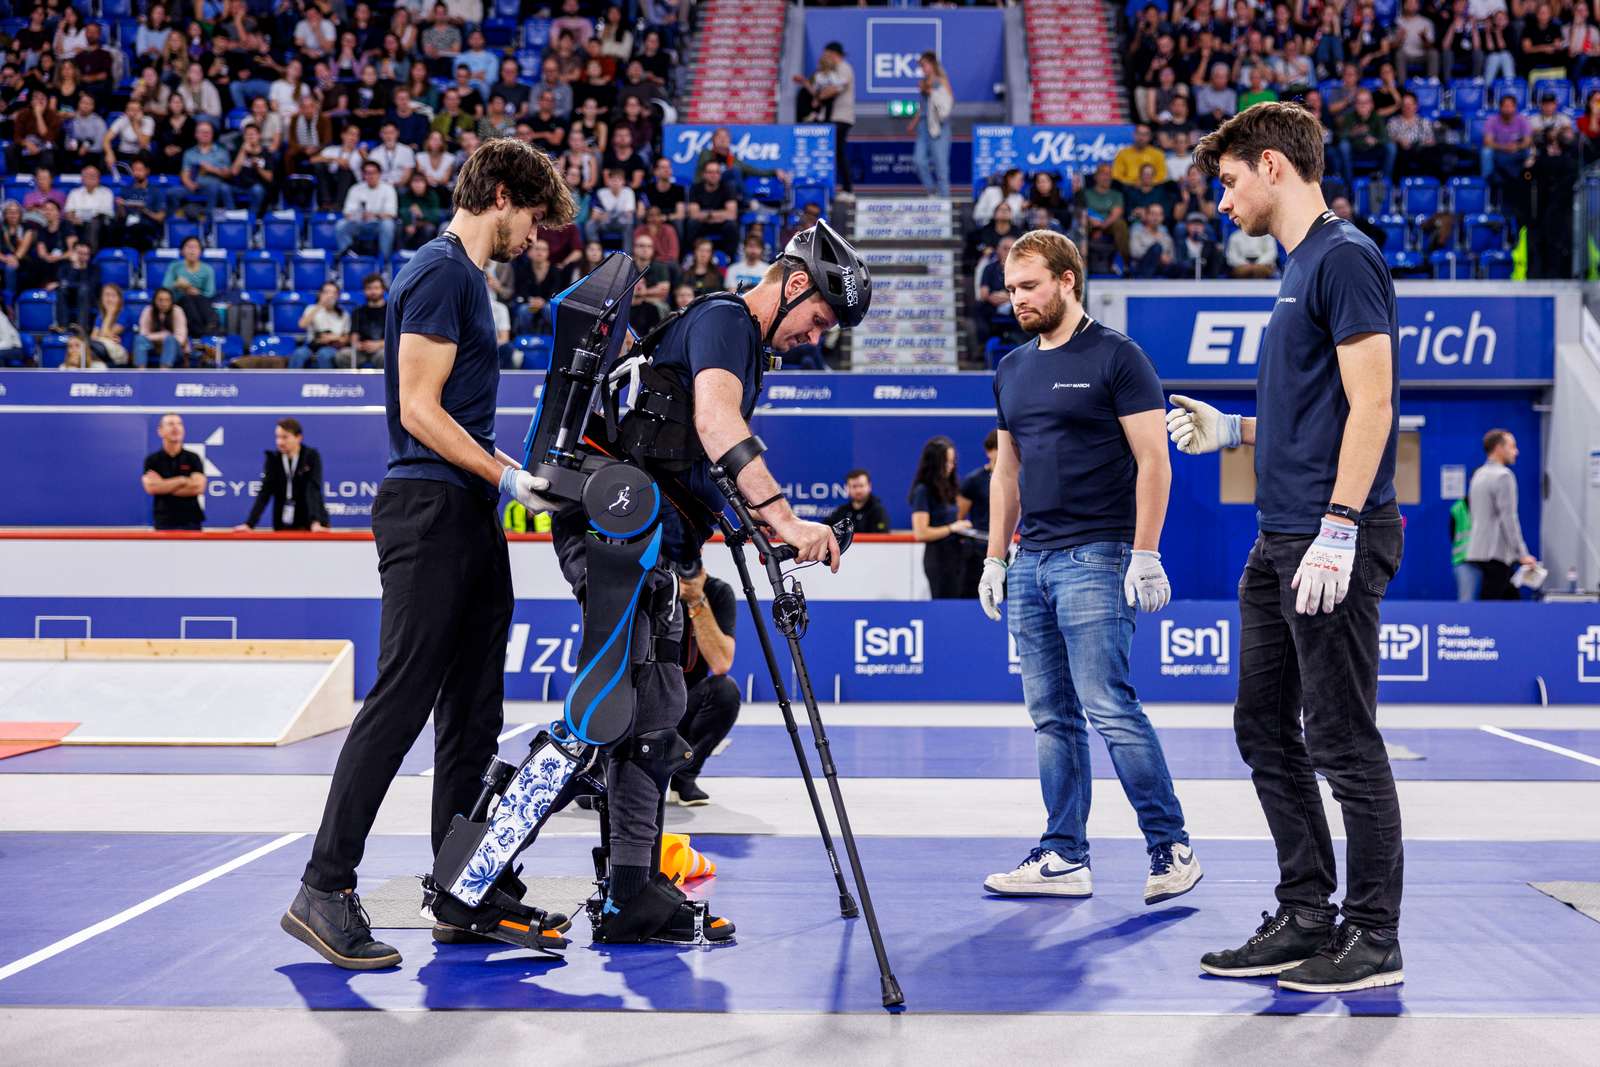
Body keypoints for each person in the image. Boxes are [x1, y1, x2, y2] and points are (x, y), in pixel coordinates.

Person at [283, 140, 579, 970]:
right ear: (499, 194)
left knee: (474, 712)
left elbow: (455, 417)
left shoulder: (469, 283)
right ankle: (323, 887)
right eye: (533, 217)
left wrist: (509, 481)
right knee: (403, 697)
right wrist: (508, 477)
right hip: (429, 509)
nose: (535, 236)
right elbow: (418, 409)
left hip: (468, 509)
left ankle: (463, 890)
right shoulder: (442, 272)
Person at [1171, 101, 1405, 994]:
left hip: (1329, 535)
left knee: (1341, 738)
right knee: (1263, 727)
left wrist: (1340, 526)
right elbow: (1317, 413)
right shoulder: (1298, 266)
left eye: (1229, 181)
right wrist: (1234, 430)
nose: (1222, 201)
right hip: (1281, 539)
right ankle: (1307, 913)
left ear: (1272, 165)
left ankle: (1373, 934)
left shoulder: (1343, 257)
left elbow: (1374, 404)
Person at [976, 227, 1197, 906]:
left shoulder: (1118, 357)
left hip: (1098, 557)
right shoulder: (1011, 368)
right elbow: (1006, 470)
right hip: (1031, 561)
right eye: (1011, 289)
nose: (1017, 299)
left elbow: (1154, 460)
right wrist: (994, 556)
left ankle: (1171, 846)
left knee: (1107, 705)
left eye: (1029, 286)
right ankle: (1064, 855)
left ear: (1067, 280)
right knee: (1051, 716)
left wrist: (1146, 552)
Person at [666, 563, 741, 807]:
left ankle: (684, 776)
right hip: (644, 697)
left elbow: (721, 663)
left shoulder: (717, 592)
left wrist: (696, 601)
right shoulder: (652, 587)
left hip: (687, 701)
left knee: (725, 691)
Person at [1466, 429, 1537, 599]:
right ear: (1498, 448)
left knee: (1509, 600)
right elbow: (1509, 518)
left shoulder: (1478, 475)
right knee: (1492, 604)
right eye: (1512, 446)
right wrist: (1522, 554)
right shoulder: (1504, 476)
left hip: (1479, 549)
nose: (1516, 452)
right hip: (1497, 553)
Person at [236, 418, 330, 532]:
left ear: (298, 438)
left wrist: (315, 521)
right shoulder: (273, 459)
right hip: (283, 521)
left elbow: (312, 489)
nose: (279, 442)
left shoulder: (311, 456)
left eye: (285, 437)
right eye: (278, 437)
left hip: (312, 523)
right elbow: (265, 492)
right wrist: (249, 524)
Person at [909, 436, 973, 599]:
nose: (950, 467)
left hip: (957, 555)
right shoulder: (923, 491)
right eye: (946, 462)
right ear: (935, 463)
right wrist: (952, 528)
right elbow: (921, 533)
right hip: (938, 559)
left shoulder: (950, 487)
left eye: (952, 462)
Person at [796, 41, 855, 197]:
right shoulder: (826, 73)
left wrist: (819, 97)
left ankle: (847, 189)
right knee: (830, 153)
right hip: (829, 117)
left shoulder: (844, 68)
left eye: (826, 53)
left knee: (837, 152)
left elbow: (835, 89)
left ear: (833, 54)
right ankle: (831, 187)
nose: (824, 56)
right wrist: (808, 85)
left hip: (840, 117)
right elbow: (820, 91)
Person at [142, 413, 206, 530]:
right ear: (160, 431)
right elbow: (152, 488)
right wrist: (183, 480)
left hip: (192, 521)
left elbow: (198, 487)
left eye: (179, 424)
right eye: (170, 424)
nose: (176, 428)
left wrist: (163, 485)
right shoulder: (152, 460)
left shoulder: (193, 458)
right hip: (164, 521)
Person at [910, 51, 954, 199]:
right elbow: (923, 106)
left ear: (932, 64)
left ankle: (945, 198)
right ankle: (932, 191)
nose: (922, 68)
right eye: (921, 66)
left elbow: (948, 102)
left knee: (941, 165)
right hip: (923, 126)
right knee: (918, 160)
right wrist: (914, 122)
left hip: (939, 125)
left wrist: (931, 91)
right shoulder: (922, 82)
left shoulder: (942, 81)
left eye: (924, 65)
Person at [338, 160, 399, 260]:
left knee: (388, 224)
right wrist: (360, 215)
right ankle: (348, 258)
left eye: (373, 173)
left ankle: (384, 260)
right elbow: (347, 212)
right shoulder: (356, 189)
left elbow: (391, 213)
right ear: (363, 175)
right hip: (359, 223)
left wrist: (374, 215)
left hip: (378, 224)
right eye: (367, 173)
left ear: (379, 174)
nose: (370, 176)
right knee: (341, 225)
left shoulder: (388, 189)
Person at [162, 237, 218, 337]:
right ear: (182, 251)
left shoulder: (207, 269)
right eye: (189, 247)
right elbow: (165, 288)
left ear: (200, 251)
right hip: (179, 301)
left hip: (200, 303)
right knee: (187, 299)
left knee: (198, 299)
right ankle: (204, 333)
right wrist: (177, 284)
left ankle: (206, 329)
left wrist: (197, 292)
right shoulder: (174, 266)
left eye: (195, 247)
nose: (192, 250)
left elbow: (210, 293)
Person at [293, 282, 353, 369]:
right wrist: (320, 305)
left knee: (324, 354)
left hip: (332, 346)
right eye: (326, 292)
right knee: (299, 354)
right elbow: (302, 325)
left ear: (338, 296)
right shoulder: (311, 308)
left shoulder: (344, 314)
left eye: (334, 293)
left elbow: (347, 338)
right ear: (320, 294)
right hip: (312, 345)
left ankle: (327, 378)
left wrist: (334, 338)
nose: (330, 295)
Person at [135, 288, 189, 368]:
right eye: (160, 300)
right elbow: (143, 334)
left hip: (174, 348)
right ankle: (140, 370)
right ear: (155, 300)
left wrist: (165, 340)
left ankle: (164, 371)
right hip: (153, 346)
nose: (164, 303)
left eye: (167, 300)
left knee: (170, 340)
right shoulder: (148, 310)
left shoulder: (177, 311)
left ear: (171, 301)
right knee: (139, 339)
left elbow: (181, 338)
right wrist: (163, 335)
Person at [827, 469, 891, 534]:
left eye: (861, 486)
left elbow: (882, 536)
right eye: (854, 486)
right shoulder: (841, 511)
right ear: (847, 488)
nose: (858, 490)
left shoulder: (878, 511)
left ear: (869, 486)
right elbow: (826, 528)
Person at [351, 274, 388, 369]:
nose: (373, 291)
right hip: (362, 351)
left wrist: (378, 344)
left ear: (383, 289)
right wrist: (357, 345)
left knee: (384, 356)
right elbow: (354, 335)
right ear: (364, 291)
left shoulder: (391, 311)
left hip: (383, 349)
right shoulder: (358, 312)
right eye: (369, 288)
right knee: (343, 355)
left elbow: (397, 337)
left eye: (376, 288)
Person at [1449, 494, 1479, 601]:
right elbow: (1452, 536)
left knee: (1488, 602)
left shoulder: (1485, 505)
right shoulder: (1457, 509)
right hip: (1464, 561)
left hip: (1486, 561)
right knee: (1466, 600)